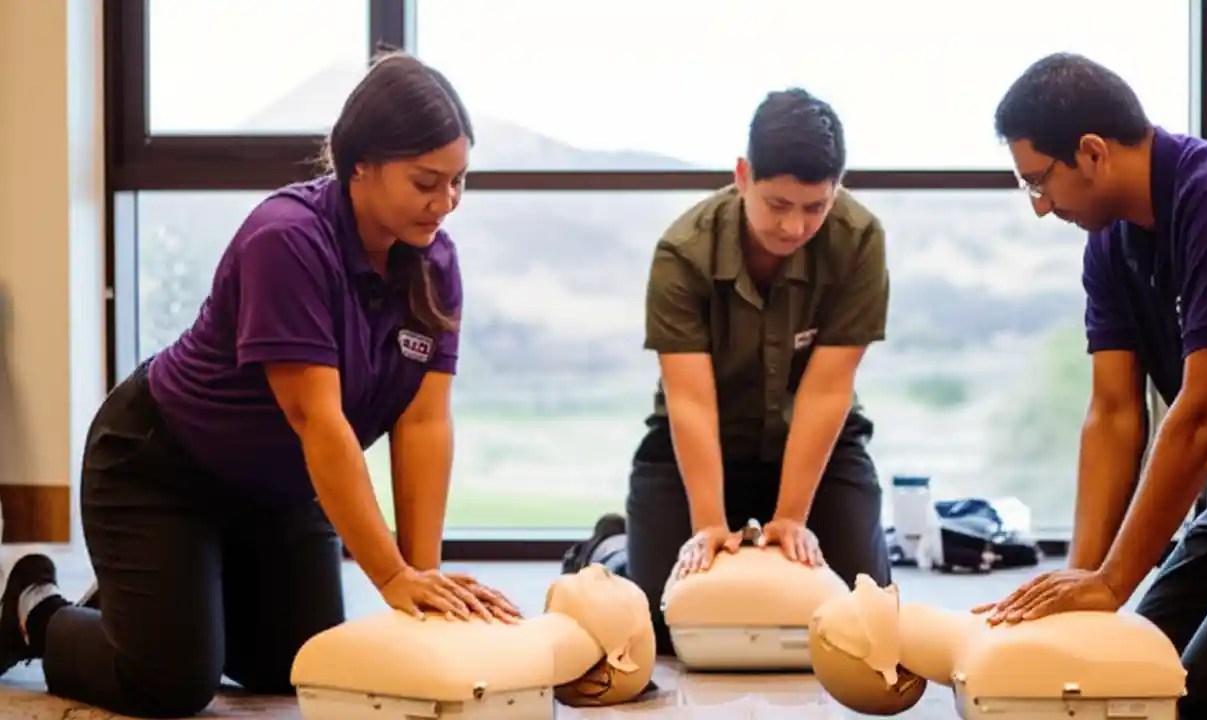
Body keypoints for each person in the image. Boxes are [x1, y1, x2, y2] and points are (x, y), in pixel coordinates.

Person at [0, 51, 519, 718]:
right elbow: (319, 422)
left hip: (275, 491)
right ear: (361, 161)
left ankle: (151, 605)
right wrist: (388, 576)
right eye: (427, 181)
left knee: (297, 664)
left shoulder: (434, 262)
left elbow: (423, 423)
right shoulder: (287, 241)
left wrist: (421, 580)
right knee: (173, 684)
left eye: (459, 182)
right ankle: (34, 609)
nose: (446, 203)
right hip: (159, 468)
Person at [972, 52, 1207, 718]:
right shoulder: (1110, 244)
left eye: (1039, 182)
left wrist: (1115, 579)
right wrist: (1078, 584)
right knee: (1134, 661)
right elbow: (1113, 414)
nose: (1039, 207)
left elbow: (1203, 420)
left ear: (1090, 152)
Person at [565, 88, 893, 655]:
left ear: (836, 190)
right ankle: (610, 550)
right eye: (778, 204)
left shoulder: (860, 240)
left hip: (816, 446)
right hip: (697, 447)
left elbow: (827, 388)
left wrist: (792, 516)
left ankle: (784, 524)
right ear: (743, 176)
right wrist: (708, 526)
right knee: (663, 623)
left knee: (859, 618)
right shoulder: (683, 251)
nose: (795, 227)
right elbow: (689, 401)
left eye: (815, 207)